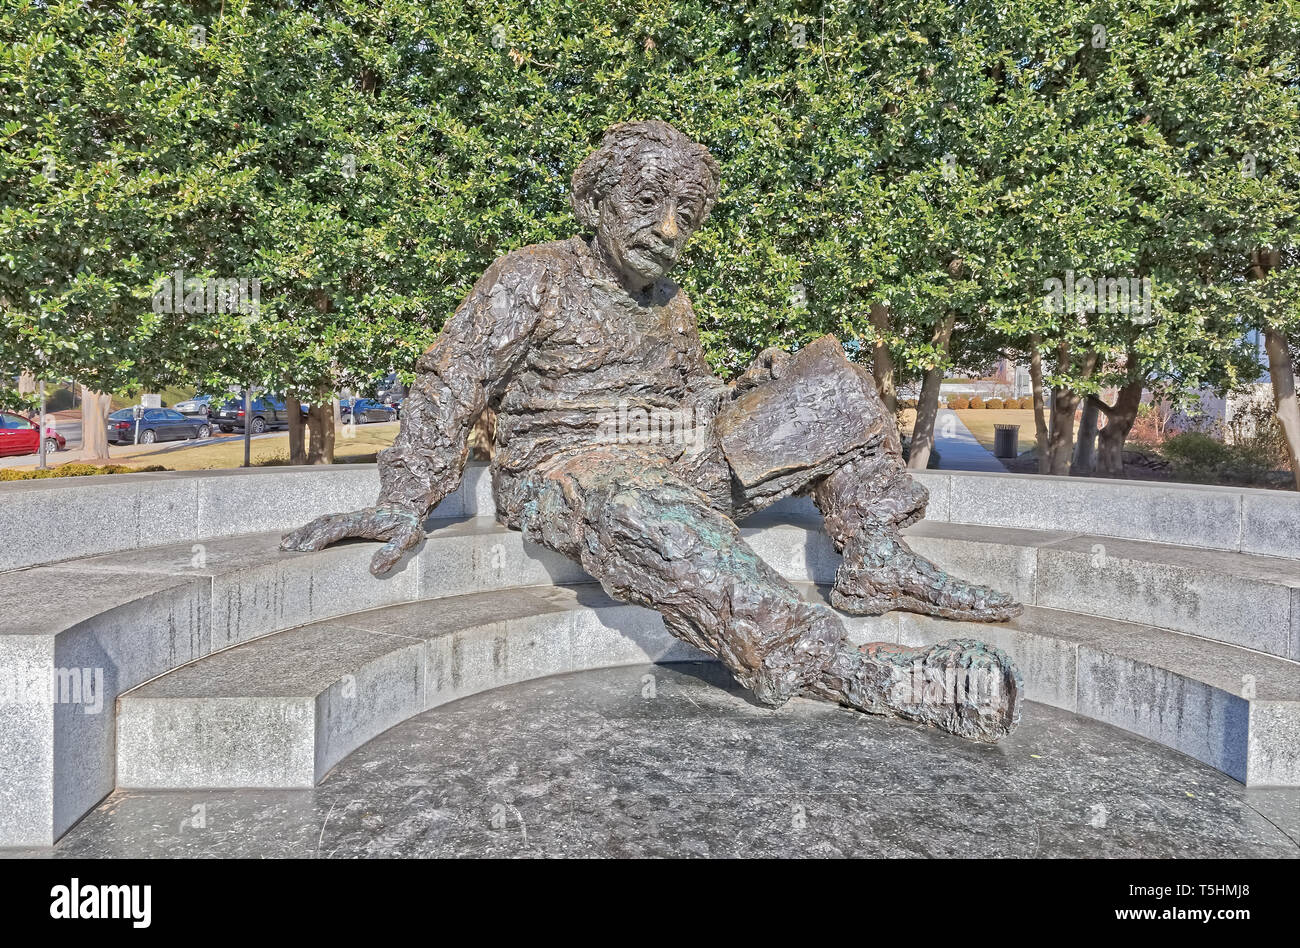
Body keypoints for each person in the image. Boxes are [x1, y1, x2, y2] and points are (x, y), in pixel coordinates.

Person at [283, 120, 1023, 741]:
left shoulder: (673, 302)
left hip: (669, 442)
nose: (668, 230)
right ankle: (850, 668)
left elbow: (687, 394)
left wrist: (750, 388)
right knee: (651, 509)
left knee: (829, 384)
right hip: (566, 464)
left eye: (687, 216)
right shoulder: (533, 277)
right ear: (594, 201)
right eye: (645, 201)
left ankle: (875, 556)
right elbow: (454, 378)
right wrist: (407, 500)